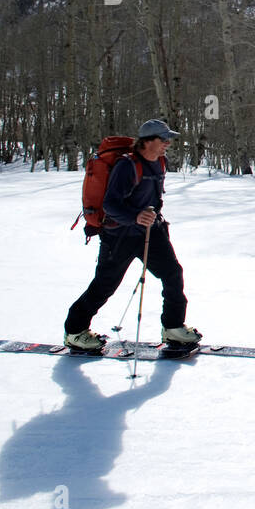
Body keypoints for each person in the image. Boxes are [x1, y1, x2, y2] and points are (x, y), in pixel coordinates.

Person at [64, 119, 201, 351]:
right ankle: (75, 331)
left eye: (169, 139)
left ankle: (173, 327)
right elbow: (110, 204)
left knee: (173, 274)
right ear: (147, 141)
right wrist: (135, 216)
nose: (168, 143)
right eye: (163, 139)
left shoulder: (160, 162)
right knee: (105, 285)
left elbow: (154, 196)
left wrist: (152, 217)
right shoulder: (127, 165)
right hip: (120, 235)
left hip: (151, 231)